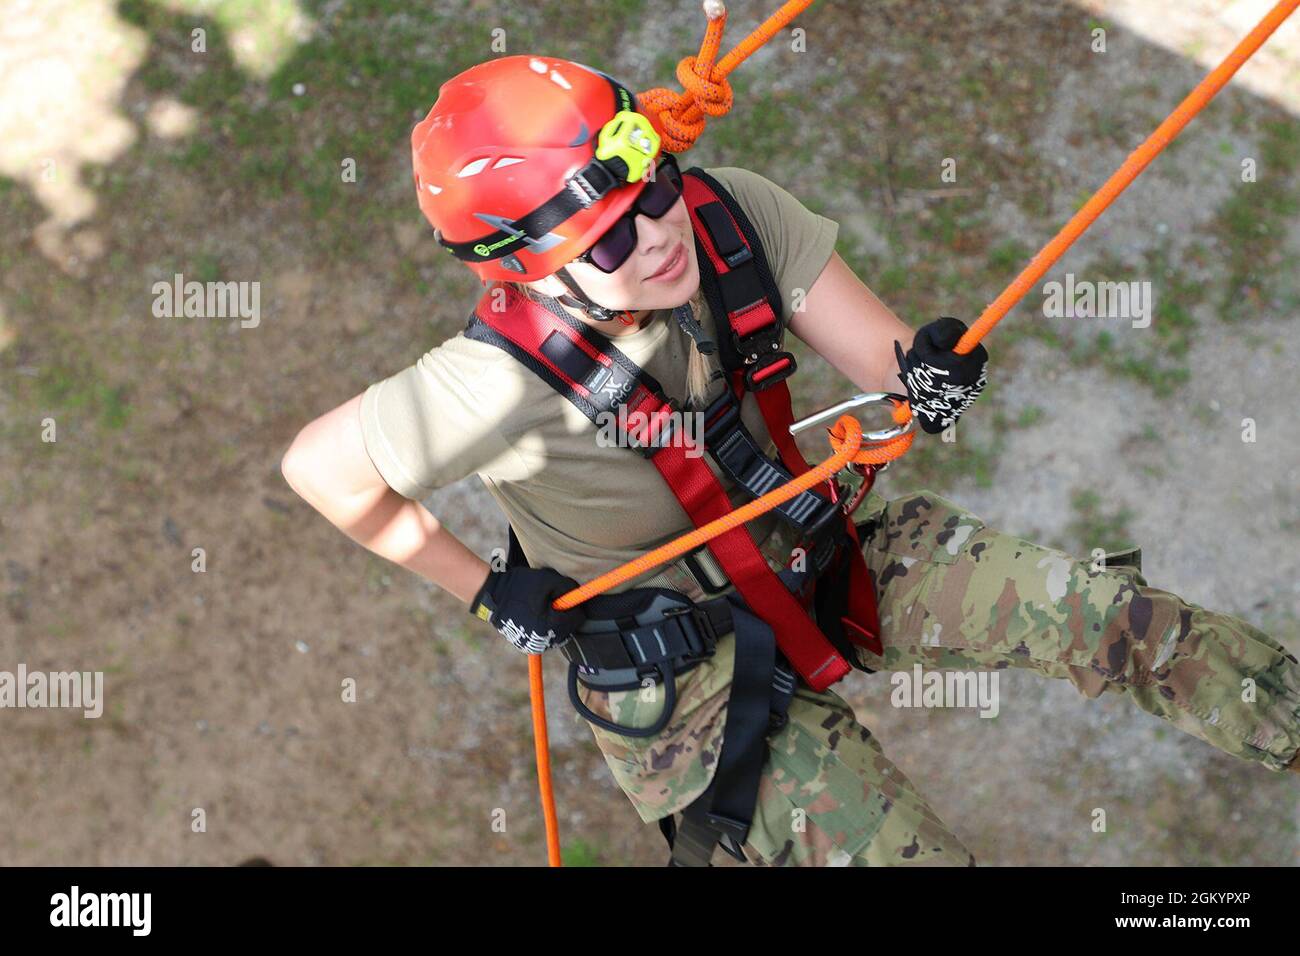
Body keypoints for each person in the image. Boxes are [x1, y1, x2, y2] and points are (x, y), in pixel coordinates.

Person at [280, 55, 1300, 866]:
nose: (653, 239)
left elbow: (885, 366)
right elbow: (322, 467)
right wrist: (492, 591)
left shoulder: (729, 222)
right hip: (684, 681)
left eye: (653, 192)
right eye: (604, 243)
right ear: (527, 270)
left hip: (817, 553)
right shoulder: (489, 381)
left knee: (1117, 617)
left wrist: (927, 374)